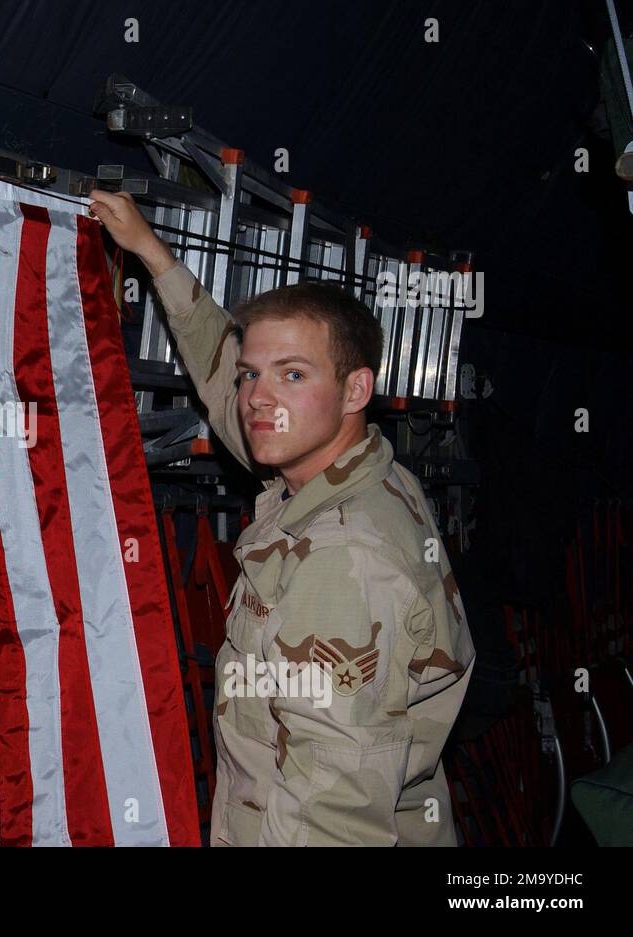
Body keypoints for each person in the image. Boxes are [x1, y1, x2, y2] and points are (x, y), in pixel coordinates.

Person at [89, 189, 475, 846]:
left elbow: (331, 816)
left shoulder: (342, 560)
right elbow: (219, 373)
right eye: (253, 375)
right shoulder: (348, 465)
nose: (258, 398)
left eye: (291, 375)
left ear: (356, 388)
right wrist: (153, 254)